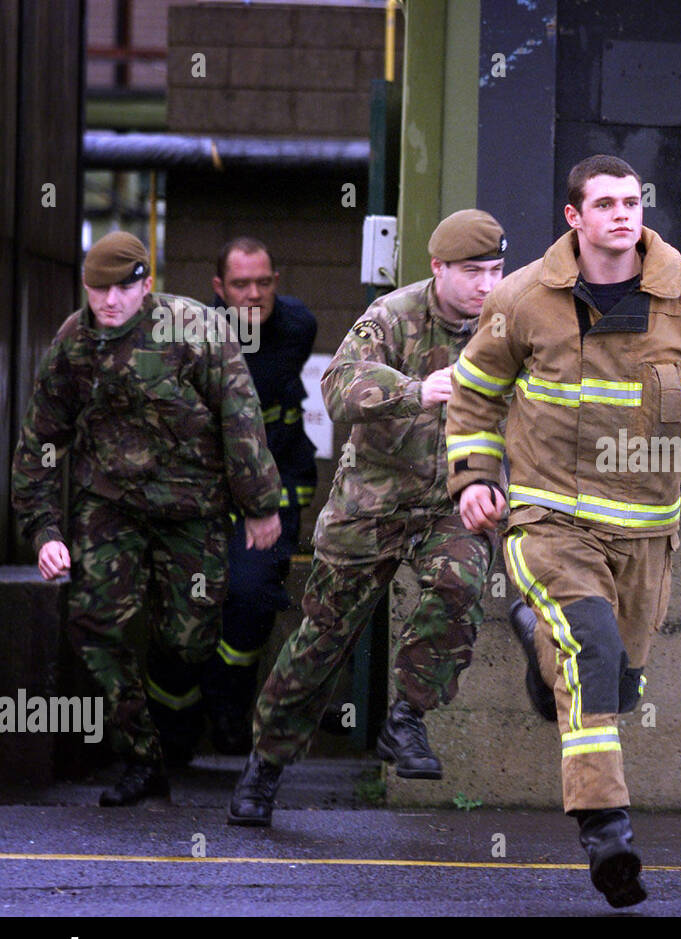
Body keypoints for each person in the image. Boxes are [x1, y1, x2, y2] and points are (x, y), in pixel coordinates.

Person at [448, 155, 681, 908]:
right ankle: (607, 833)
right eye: (605, 204)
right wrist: (473, 479)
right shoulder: (524, 296)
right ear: (574, 217)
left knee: (615, 683)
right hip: (548, 519)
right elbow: (472, 394)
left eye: (631, 201)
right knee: (592, 650)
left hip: (646, 532)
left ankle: (539, 645)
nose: (623, 215)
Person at [227, 209, 507, 827]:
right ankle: (265, 767)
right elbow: (337, 387)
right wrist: (416, 389)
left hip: (452, 503)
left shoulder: (509, 322)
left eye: (495, 270)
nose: (486, 285)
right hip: (372, 506)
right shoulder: (393, 315)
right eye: (471, 272)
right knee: (321, 640)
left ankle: (406, 718)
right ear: (438, 269)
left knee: (461, 581)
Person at [10, 231, 282, 806]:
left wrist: (259, 505)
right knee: (94, 623)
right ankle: (141, 758)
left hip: (191, 508)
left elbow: (240, 416)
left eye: (121, 288)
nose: (109, 301)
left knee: (188, 639)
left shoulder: (194, 331)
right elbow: (40, 442)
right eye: (97, 289)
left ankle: (186, 718)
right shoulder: (72, 344)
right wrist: (43, 531)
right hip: (108, 504)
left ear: (146, 284)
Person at [163, 237, 318, 760]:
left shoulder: (298, 326)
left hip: (273, 498)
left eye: (264, 282)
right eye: (240, 284)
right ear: (218, 289)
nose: (254, 293)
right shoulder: (192, 337)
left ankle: (229, 708)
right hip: (205, 498)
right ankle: (172, 730)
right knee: (185, 608)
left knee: (251, 597)